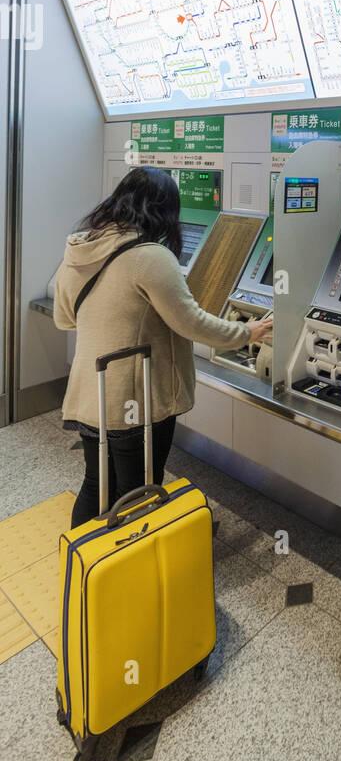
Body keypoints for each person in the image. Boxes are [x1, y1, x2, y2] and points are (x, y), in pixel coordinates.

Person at [54, 167, 273, 528]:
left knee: (96, 483)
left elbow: (65, 318)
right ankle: (133, 571)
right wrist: (246, 332)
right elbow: (192, 322)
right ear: (164, 211)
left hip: (91, 393)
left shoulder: (81, 248)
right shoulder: (150, 256)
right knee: (140, 491)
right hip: (135, 399)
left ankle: (86, 569)